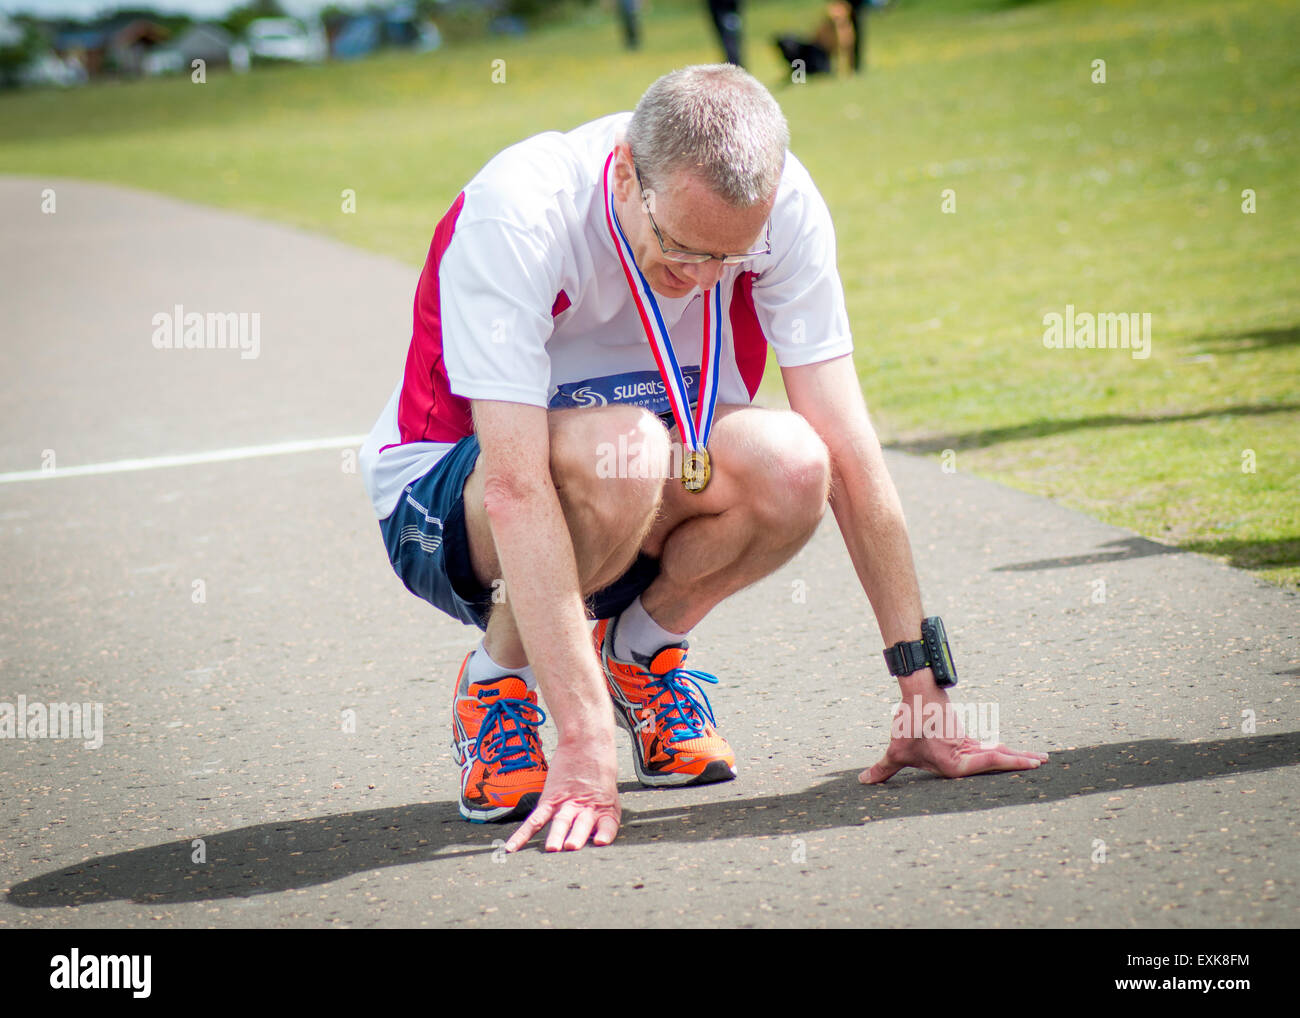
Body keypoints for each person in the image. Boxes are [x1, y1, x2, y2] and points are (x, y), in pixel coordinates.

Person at [359, 64, 1047, 854]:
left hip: (643, 490)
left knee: (795, 459)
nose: (705, 281)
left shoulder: (785, 207)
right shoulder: (518, 213)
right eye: (681, 249)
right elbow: (515, 488)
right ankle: (498, 683)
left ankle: (643, 653)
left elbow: (853, 458)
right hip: (453, 507)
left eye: (733, 258)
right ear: (625, 175)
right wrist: (585, 754)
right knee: (628, 449)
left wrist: (924, 696)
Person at [705, 0, 743, 66]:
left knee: (730, 37)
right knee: (728, 36)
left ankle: (735, 67)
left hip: (726, 5)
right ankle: (734, 66)